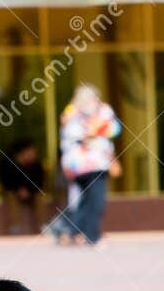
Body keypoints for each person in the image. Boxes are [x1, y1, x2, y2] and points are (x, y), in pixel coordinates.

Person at [50, 84, 121, 245]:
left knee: (85, 201)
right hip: (80, 167)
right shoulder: (72, 115)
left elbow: (114, 129)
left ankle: (71, 230)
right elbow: (71, 136)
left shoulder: (103, 112)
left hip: (97, 165)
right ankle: (89, 235)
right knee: (93, 202)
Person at [0, 139, 48, 234]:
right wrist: (18, 189)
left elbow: (39, 183)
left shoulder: (36, 165)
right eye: (31, 151)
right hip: (14, 193)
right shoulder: (7, 163)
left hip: (31, 193)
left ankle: (43, 226)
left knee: (39, 197)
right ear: (23, 152)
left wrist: (29, 190)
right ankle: (15, 227)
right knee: (11, 197)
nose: (33, 154)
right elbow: (5, 181)